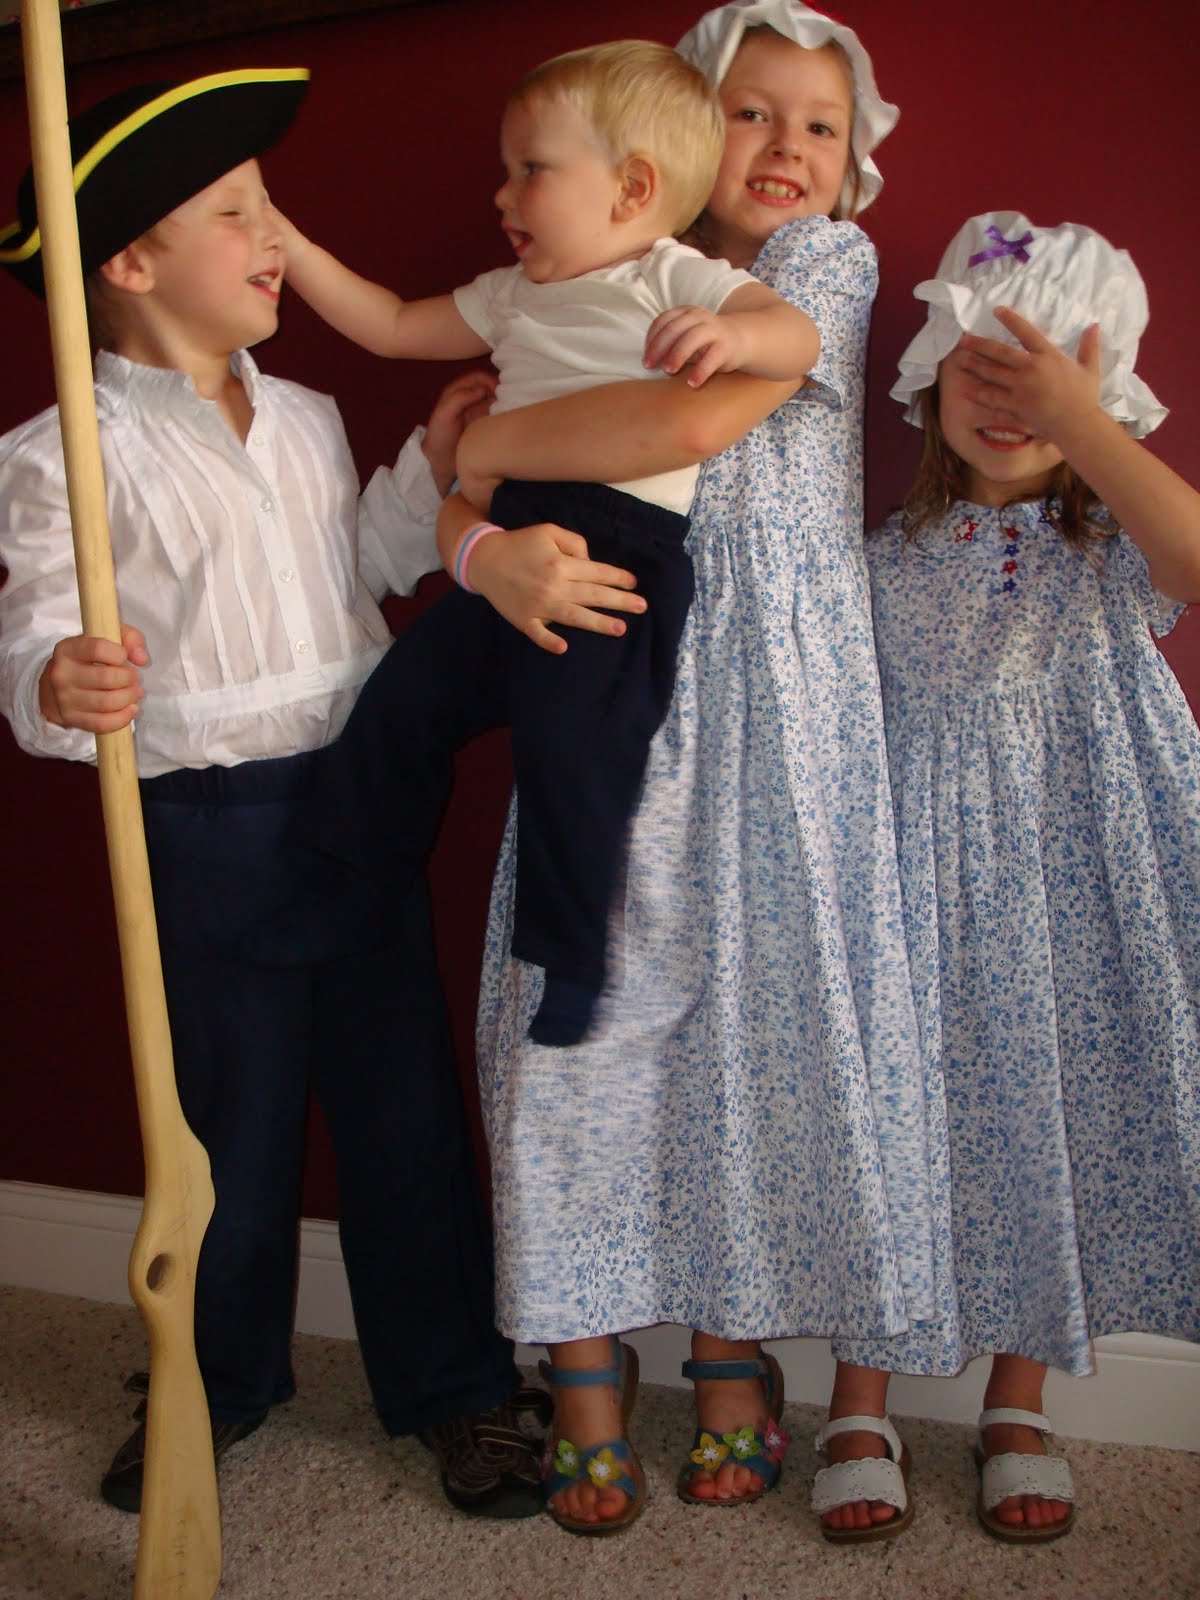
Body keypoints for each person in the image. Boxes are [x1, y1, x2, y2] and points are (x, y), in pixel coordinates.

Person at [0, 68, 645, 1519]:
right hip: (203, 826)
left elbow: (355, 569)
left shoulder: (301, 415)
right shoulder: (63, 459)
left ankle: (454, 1380)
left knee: (403, 1113)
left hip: (355, 803)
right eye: (238, 215)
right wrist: (53, 680)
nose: (275, 238)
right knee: (223, 1129)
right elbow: (31, 625)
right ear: (131, 262)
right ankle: (213, 1377)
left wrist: (423, 477)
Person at [445, 0, 935, 1535]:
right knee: (582, 1007)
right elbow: (481, 475)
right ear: (671, 135)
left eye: (821, 125)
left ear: (853, 162)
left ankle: (731, 1350)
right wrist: (470, 511)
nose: (787, 146)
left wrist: (493, 450)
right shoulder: (571, 274)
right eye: (751, 110)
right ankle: (582, 1359)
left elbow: (683, 418)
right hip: (615, 689)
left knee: (752, 1023)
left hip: (782, 717)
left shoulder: (818, 269)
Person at [272, 39, 821, 1047]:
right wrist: (291, 247)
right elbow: (389, 325)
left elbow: (800, 339)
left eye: (530, 168)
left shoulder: (674, 276)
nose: (501, 194)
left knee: (573, 756)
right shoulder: (509, 293)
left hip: (618, 554)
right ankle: (339, 888)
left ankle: (570, 956)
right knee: (397, 705)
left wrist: (738, 337)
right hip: (506, 535)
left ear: (632, 189)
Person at [817, 211, 1200, 1544]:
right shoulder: (874, 563)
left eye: (1042, 381)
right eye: (982, 367)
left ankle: (1018, 1402)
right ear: (931, 380)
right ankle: (858, 1400)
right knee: (895, 1126)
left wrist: (1082, 423)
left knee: (1057, 1116)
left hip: (1075, 890)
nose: (1006, 401)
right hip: (912, 888)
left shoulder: (1113, 555)